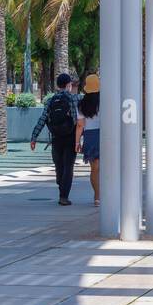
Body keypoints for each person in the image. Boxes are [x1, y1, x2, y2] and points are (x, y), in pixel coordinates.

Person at [30, 72, 79, 205]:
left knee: (59, 166)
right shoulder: (74, 98)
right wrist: (79, 137)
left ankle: (61, 188)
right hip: (70, 137)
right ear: (69, 85)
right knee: (68, 167)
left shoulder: (50, 100)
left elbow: (43, 119)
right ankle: (64, 196)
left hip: (56, 138)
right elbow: (77, 120)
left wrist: (34, 136)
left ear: (57, 85)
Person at [76, 74, 101, 207]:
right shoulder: (106, 101)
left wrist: (77, 142)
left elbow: (80, 125)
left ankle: (97, 197)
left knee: (94, 169)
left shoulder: (81, 104)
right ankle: (108, 194)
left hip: (90, 136)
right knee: (106, 168)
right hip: (105, 134)